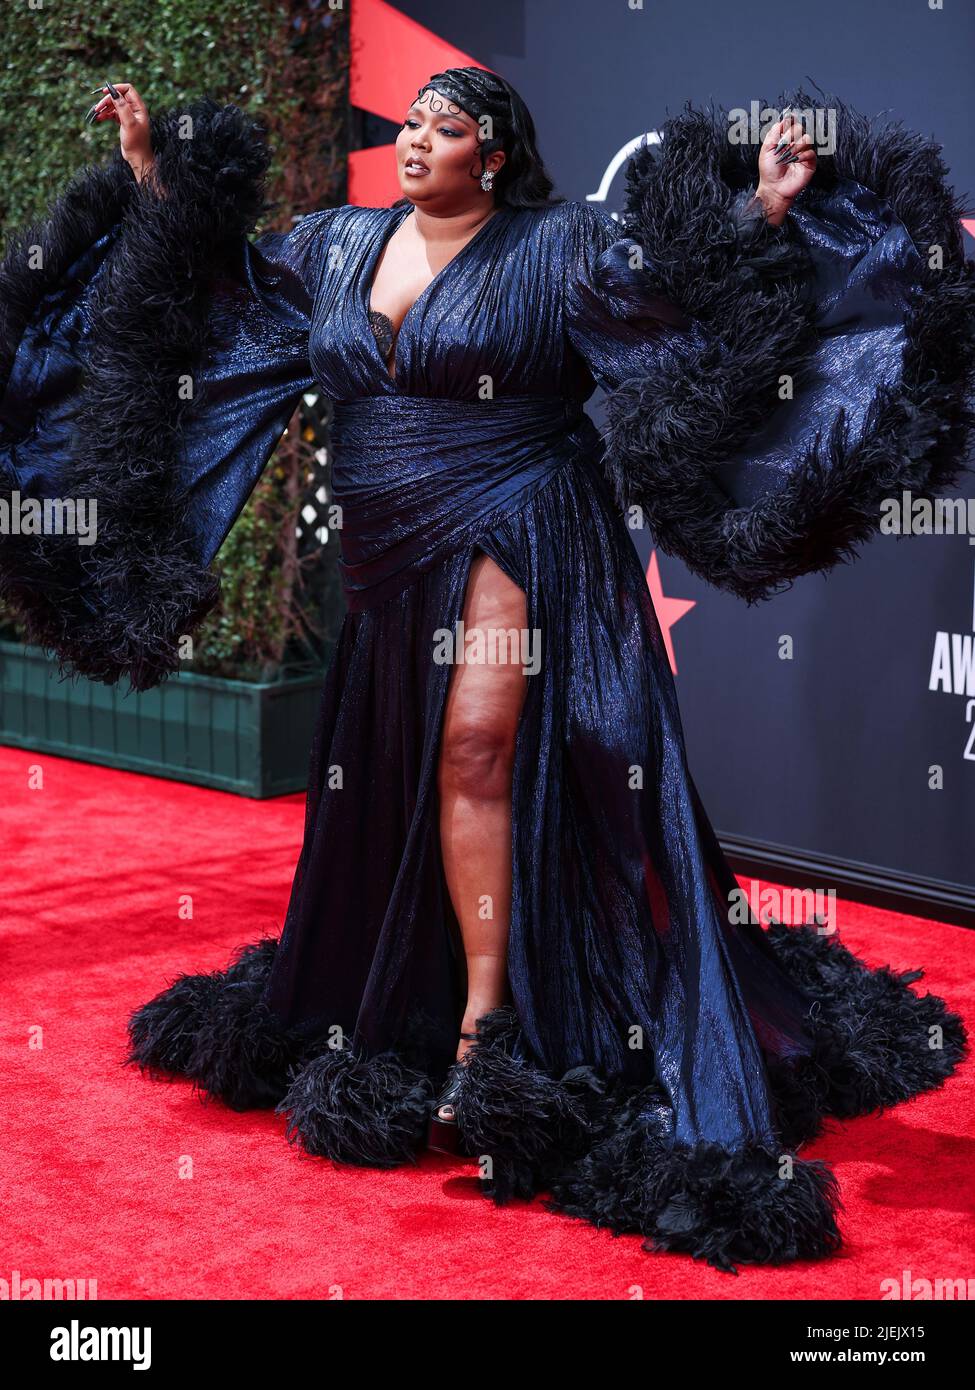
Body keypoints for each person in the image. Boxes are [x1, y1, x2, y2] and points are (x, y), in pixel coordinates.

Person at [1, 66, 971, 1273]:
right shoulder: (336, 242)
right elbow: (226, 287)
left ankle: (485, 1032)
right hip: (391, 548)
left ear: (495, 155)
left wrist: (763, 211)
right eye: (408, 124)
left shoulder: (557, 248)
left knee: (475, 747)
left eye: (444, 129)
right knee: (417, 768)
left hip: (525, 519)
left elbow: (669, 294)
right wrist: (151, 171)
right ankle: (434, 989)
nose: (414, 141)